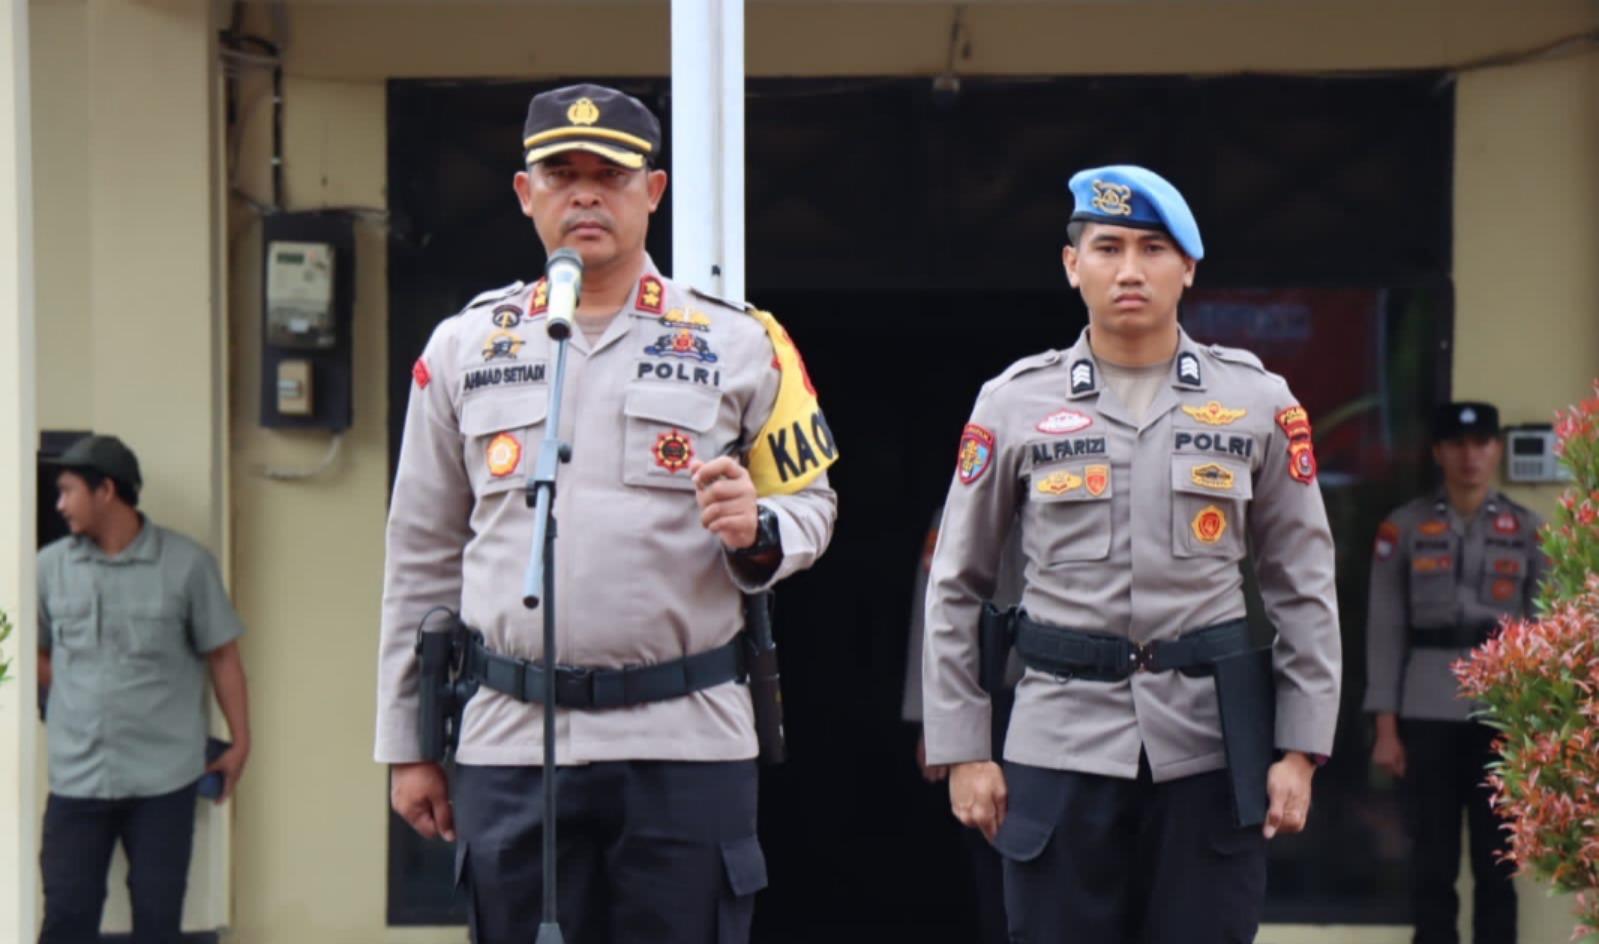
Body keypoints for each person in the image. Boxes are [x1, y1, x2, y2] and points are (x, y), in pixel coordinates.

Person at [375, 83, 837, 944]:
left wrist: (759, 531)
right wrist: (408, 742)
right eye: (561, 174)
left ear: (652, 192)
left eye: (610, 175)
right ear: (525, 193)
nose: (585, 194)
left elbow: (811, 503)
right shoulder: (464, 347)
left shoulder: (739, 342)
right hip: (510, 742)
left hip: (684, 742)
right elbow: (421, 555)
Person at [922, 164, 1342, 943]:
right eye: (1106, 246)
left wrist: (1301, 748)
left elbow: (1302, 581)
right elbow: (956, 583)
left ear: (1187, 267)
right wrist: (962, 749)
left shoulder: (1257, 401)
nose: (1127, 269)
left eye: (1152, 248)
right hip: (1057, 739)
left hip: (1211, 750)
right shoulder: (1013, 401)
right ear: (1070, 264)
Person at [36, 434, 251, 944]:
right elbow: (32, 653)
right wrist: (73, 692)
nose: (60, 505)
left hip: (163, 781)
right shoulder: (48, 569)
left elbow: (222, 655)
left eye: (68, 491)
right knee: (66, 917)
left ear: (106, 490)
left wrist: (241, 743)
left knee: (159, 923)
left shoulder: (187, 566)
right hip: (77, 778)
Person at [1365, 402, 1542, 944]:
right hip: (1427, 708)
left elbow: (1542, 632)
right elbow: (1386, 628)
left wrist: (1536, 729)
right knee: (1432, 859)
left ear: (1495, 450)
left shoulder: (1528, 529)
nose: (1472, 455)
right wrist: (1386, 728)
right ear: (1440, 452)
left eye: (1483, 443)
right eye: (1459, 445)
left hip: (1501, 712)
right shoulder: (1407, 527)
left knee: (1499, 861)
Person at [903, 508, 1023, 944]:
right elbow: (934, 598)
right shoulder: (963, 497)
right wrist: (932, 720)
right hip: (983, 697)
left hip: (1066, 699)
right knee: (990, 843)